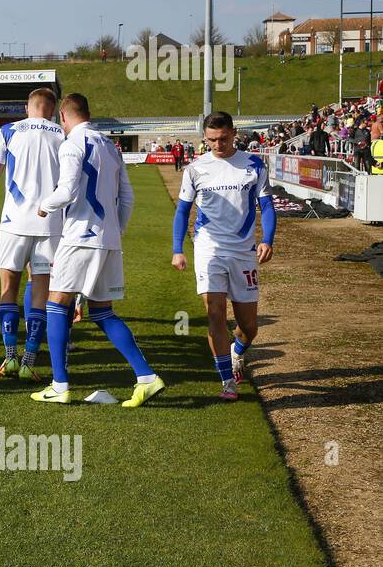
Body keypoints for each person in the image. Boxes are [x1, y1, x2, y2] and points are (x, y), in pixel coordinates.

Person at [32, 93, 165, 407]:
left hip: (79, 237)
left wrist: (43, 206)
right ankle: (146, 378)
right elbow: (128, 198)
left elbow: (66, 190)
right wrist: (116, 231)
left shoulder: (72, 144)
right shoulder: (110, 145)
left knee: (57, 303)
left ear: (63, 117)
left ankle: (60, 384)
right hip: (108, 239)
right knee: (102, 311)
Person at [172, 112, 275, 401]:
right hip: (208, 248)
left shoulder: (253, 165)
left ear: (234, 133)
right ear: (205, 138)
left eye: (223, 138)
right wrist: (178, 249)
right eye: (212, 140)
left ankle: (237, 351)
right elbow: (182, 211)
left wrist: (267, 240)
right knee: (215, 312)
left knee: (249, 327)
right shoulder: (195, 169)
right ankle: (227, 381)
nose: (217, 144)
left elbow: (266, 206)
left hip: (243, 251)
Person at [0, 87, 64, 382]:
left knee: (9, 287)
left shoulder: (8, 130)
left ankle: (10, 357)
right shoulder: (61, 132)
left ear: (27, 107)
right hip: (50, 224)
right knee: (42, 290)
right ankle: (30, 359)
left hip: (14, 221)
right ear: (53, 110)